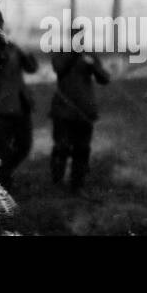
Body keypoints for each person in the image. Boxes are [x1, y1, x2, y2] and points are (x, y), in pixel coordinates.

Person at [50, 47, 110, 192]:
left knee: (82, 149)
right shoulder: (60, 53)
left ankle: (77, 185)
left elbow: (104, 79)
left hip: (84, 111)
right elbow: (58, 68)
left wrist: (93, 65)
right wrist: (74, 53)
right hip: (63, 110)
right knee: (61, 147)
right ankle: (57, 182)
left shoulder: (89, 55)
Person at [0, 36, 38, 188]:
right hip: (1, 108)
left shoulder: (14, 48)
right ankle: (1, 181)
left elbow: (32, 68)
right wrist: (3, 50)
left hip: (20, 105)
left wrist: (26, 53)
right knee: (3, 151)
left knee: (24, 146)